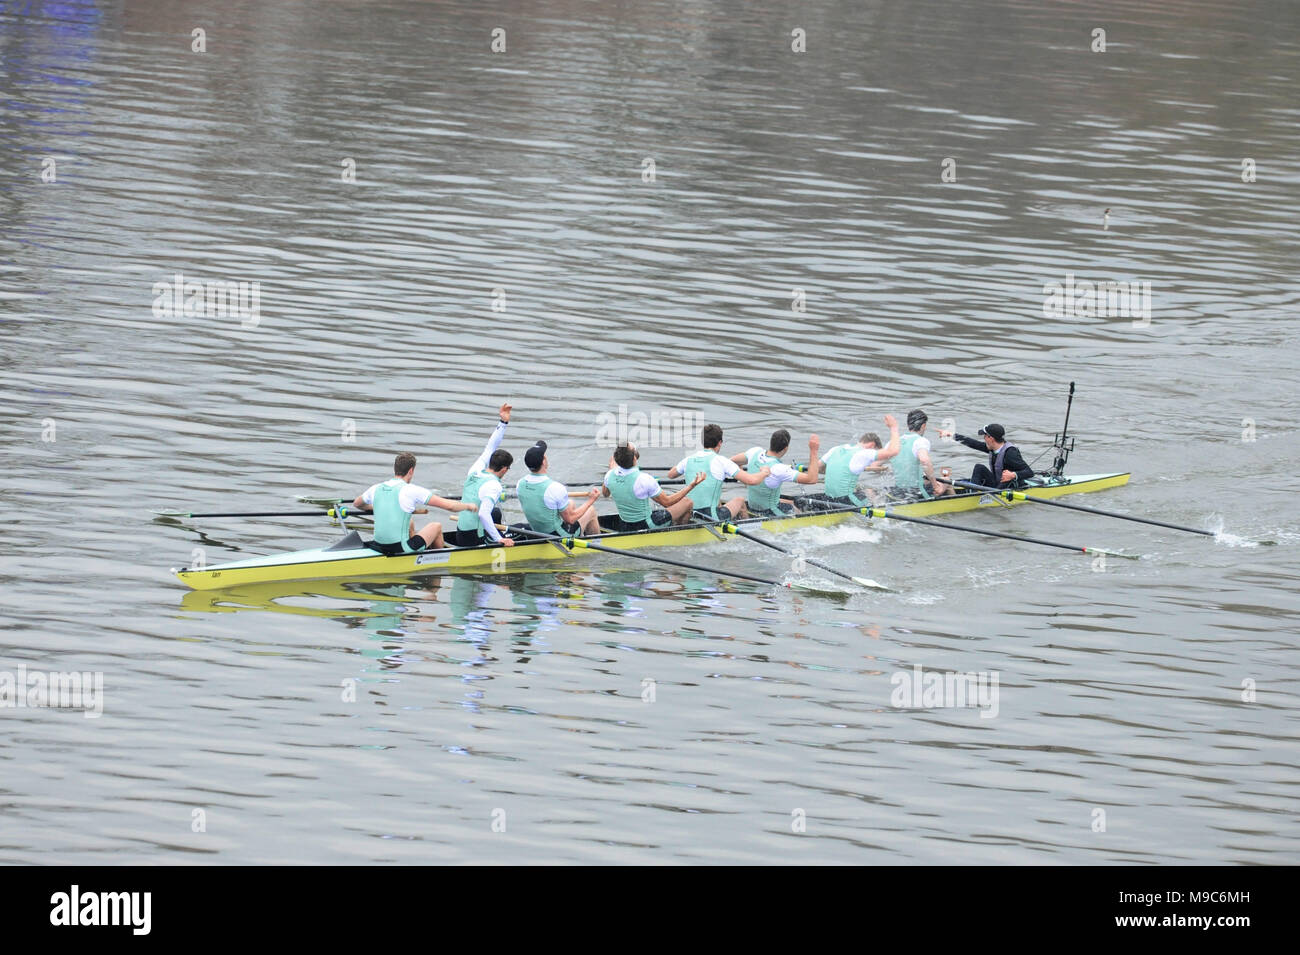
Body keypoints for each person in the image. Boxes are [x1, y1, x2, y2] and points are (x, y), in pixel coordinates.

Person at [353, 452, 477, 554]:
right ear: (411, 471)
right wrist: (468, 506)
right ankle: (438, 561)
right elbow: (450, 506)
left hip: (378, 544)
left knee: (410, 523)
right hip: (399, 549)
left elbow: (357, 504)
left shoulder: (376, 488)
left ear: (395, 469)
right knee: (436, 527)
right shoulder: (411, 490)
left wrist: (378, 507)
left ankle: (418, 551)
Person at [666, 423, 770, 523]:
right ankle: (749, 529)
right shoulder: (721, 461)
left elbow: (670, 475)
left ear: (702, 442)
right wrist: (764, 472)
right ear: (720, 442)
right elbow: (751, 481)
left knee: (716, 499)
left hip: (688, 512)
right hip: (711, 517)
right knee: (740, 501)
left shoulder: (688, 460)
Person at [448, 403, 517, 548]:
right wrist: (500, 540)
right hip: (474, 538)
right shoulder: (494, 485)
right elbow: (483, 515)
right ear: (504, 469)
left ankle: (496, 534)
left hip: (461, 531)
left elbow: (490, 447)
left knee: (496, 513)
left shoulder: (475, 469)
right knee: (513, 531)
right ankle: (497, 538)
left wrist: (503, 422)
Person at [602, 443, 705, 531]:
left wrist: (612, 471)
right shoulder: (644, 479)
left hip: (624, 524)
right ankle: (678, 533)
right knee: (687, 502)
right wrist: (691, 486)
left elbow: (605, 494)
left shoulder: (609, 475)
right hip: (646, 525)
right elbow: (667, 502)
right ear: (634, 458)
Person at [515, 440, 603, 539]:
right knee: (591, 510)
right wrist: (591, 500)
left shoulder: (520, 484)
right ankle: (597, 545)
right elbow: (570, 520)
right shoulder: (555, 487)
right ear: (544, 461)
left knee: (570, 503)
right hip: (557, 535)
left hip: (537, 530)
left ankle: (581, 533)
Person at [809, 414, 901, 507]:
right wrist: (894, 427)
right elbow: (893, 451)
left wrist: (834, 472)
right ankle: (879, 513)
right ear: (872, 445)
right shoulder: (862, 453)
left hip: (828, 499)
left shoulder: (836, 449)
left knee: (860, 488)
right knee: (869, 491)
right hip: (845, 502)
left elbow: (816, 469)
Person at [728, 429, 822, 517]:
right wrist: (813, 450)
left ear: (771, 442)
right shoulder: (779, 469)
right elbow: (812, 479)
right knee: (795, 509)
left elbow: (732, 461)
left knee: (790, 502)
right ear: (785, 448)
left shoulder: (754, 452)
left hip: (753, 506)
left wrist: (745, 480)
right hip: (769, 512)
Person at [937, 423, 1034, 489]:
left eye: (984, 436)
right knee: (979, 467)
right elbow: (973, 443)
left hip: (1009, 486)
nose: (984, 439)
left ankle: (971, 495)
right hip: (997, 483)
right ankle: (973, 490)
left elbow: (1029, 472)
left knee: (980, 470)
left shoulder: (1010, 453)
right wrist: (951, 435)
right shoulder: (993, 448)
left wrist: (1013, 475)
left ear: (990, 438)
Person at [888, 410, 950, 500]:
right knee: (947, 480)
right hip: (915, 492)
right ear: (923, 426)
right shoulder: (921, 441)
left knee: (928, 480)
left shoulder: (893, 442)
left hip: (897, 491)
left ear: (908, 424)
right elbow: (925, 461)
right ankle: (957, 506)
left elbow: (876, 465)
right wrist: (935, 485)